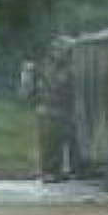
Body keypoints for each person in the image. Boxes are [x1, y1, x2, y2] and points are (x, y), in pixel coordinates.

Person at [29, 40, 75, 182]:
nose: (60, 54)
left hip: (59, 110)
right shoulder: (49, 69)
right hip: (50, 109)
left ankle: (57, 170)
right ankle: (48, 171)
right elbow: (49, 87)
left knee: (61, 142)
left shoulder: (64, 69)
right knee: (49, 142)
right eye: (57, 50)